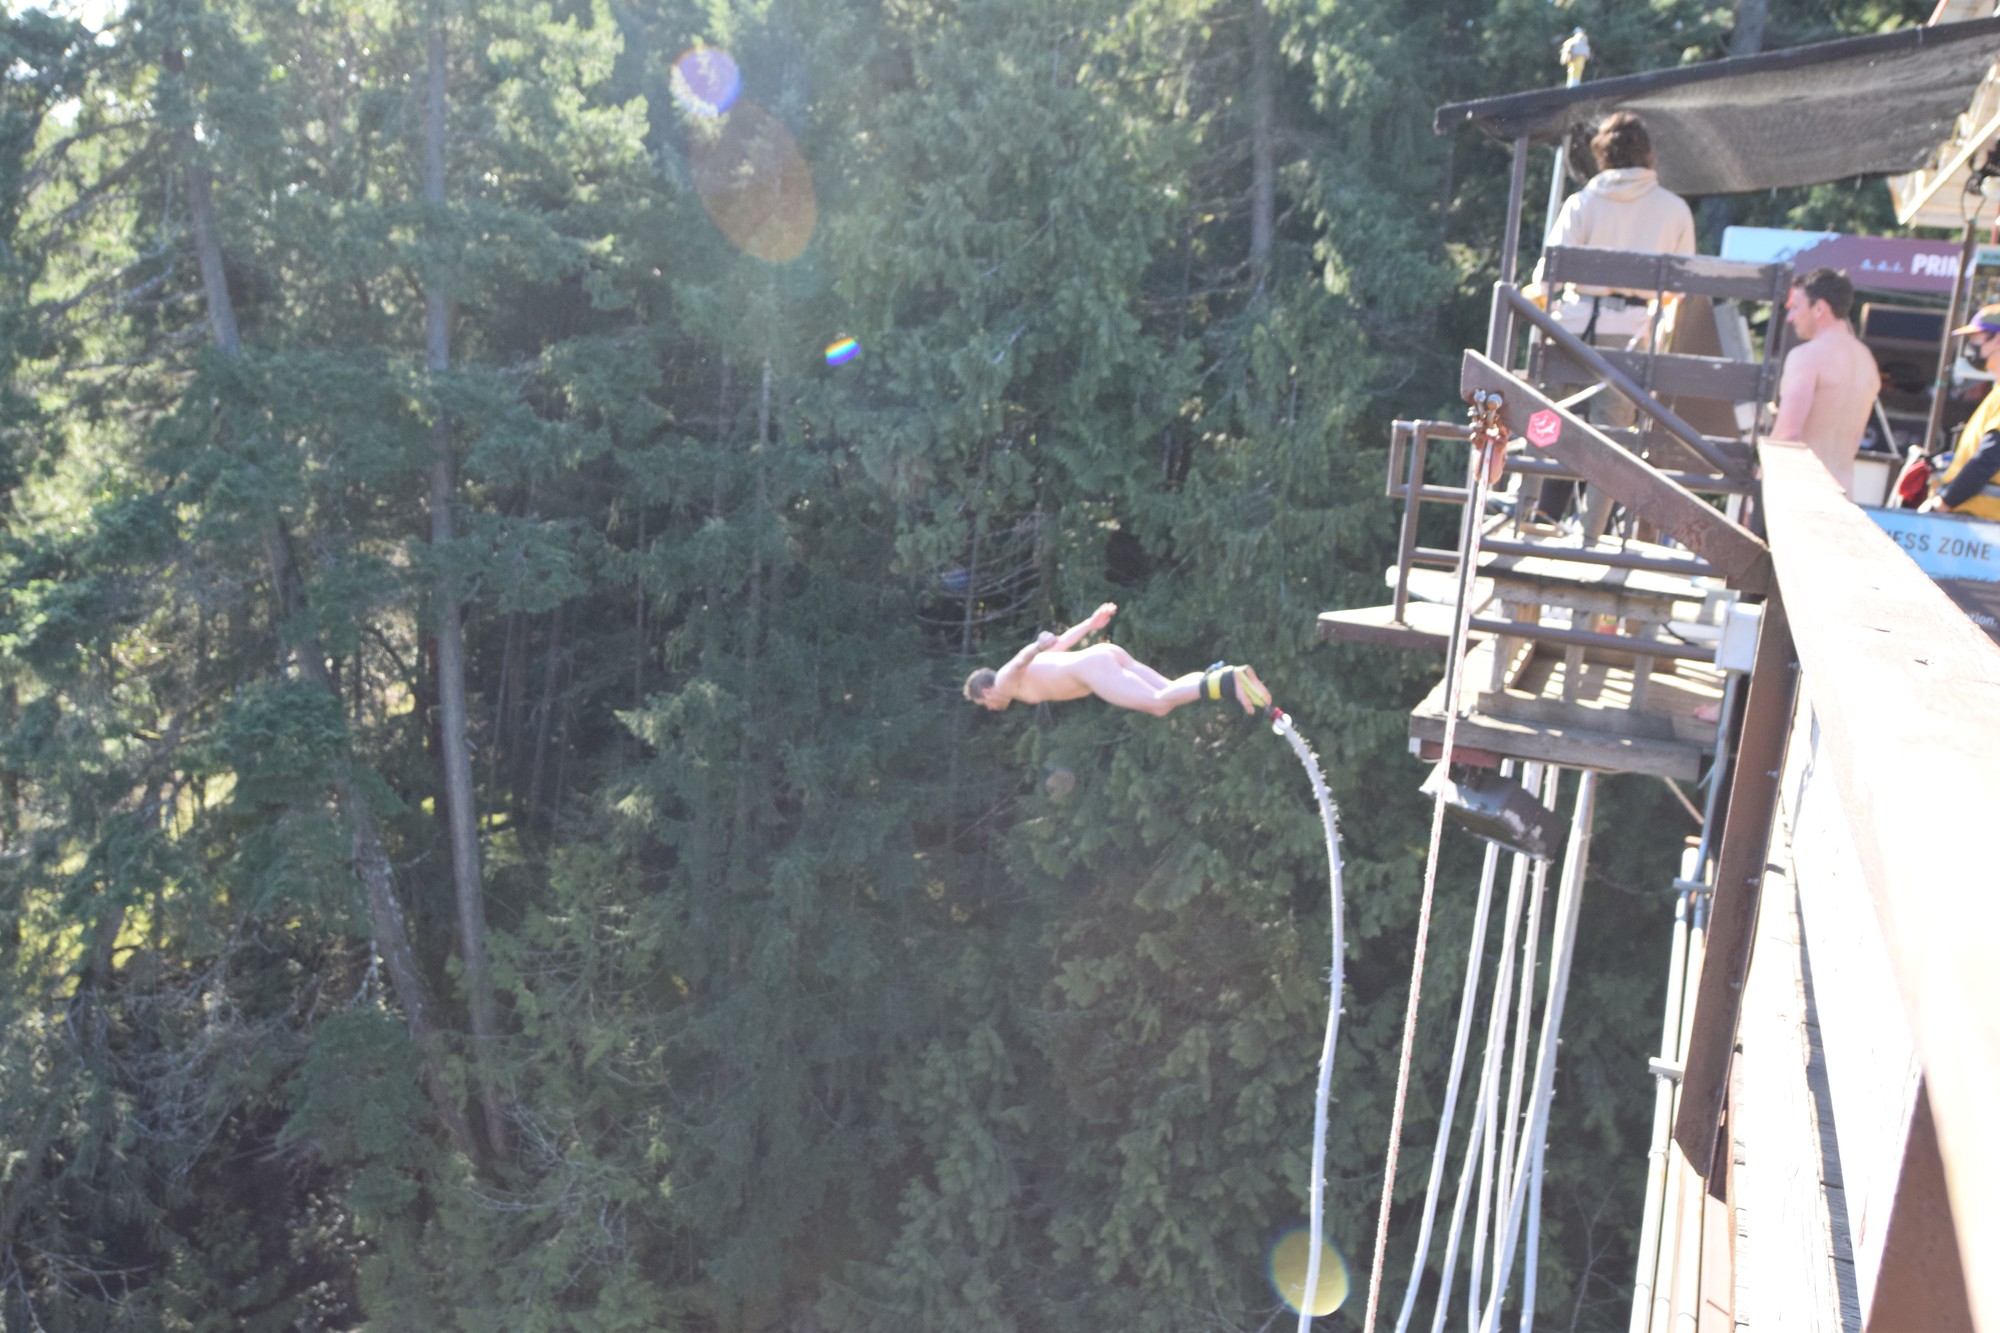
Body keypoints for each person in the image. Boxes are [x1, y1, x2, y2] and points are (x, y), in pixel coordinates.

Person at [1530, 111, 1696, 522]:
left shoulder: (1582, 203)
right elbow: (1681, 288)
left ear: (1602, 155)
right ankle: (1592, 528)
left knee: (1550, 418)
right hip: (1632, 333)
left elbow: (1546, 276)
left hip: (1574, 329)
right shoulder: (1674, 211)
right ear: (1648, 156)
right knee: (1612, 435)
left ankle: (1533, 509)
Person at [962, 603, 1271, 717]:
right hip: (1104, 654)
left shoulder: (1004, 683)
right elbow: (1063, 643)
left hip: (1094, 669)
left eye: (984, 704)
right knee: (1170, 690)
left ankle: (1227, 682)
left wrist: (1035, 647)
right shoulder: (1021, 681)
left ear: (986, 692)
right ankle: (1223, 676)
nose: (991, 708)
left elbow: (1018, 660)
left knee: (1159, 703)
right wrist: (1090, 623)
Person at [1771, 267, 1880, 498]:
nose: (1790, 317)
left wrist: (1762, 489)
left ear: (1819, 308)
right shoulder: (1867, 361)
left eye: (1796, 307)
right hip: (1843, 494)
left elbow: (1787, 436)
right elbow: (1854, 443)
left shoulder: (1807, 356)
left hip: (1801, 493)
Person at [1922, 303, 2000, 520]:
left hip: (1981, 523)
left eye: (1976, 339)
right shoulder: (1996, 391)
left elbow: (1990, 458)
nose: (1970, 346)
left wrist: (1945, 501)